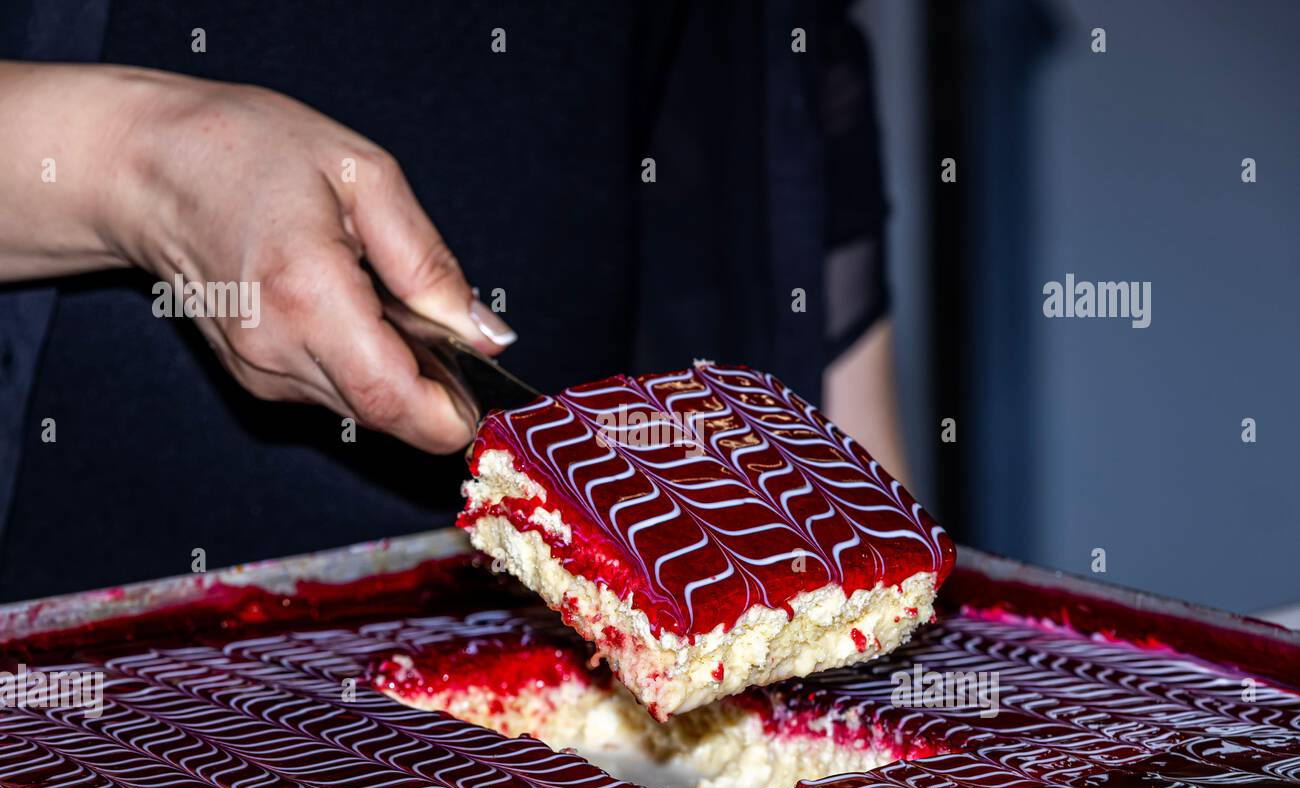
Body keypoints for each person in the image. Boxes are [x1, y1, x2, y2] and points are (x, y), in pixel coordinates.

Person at [0, 1, 906, 600]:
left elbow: (781, 112)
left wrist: (868, 571)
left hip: (571, 685)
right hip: (81, 679)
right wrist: (139, 162)